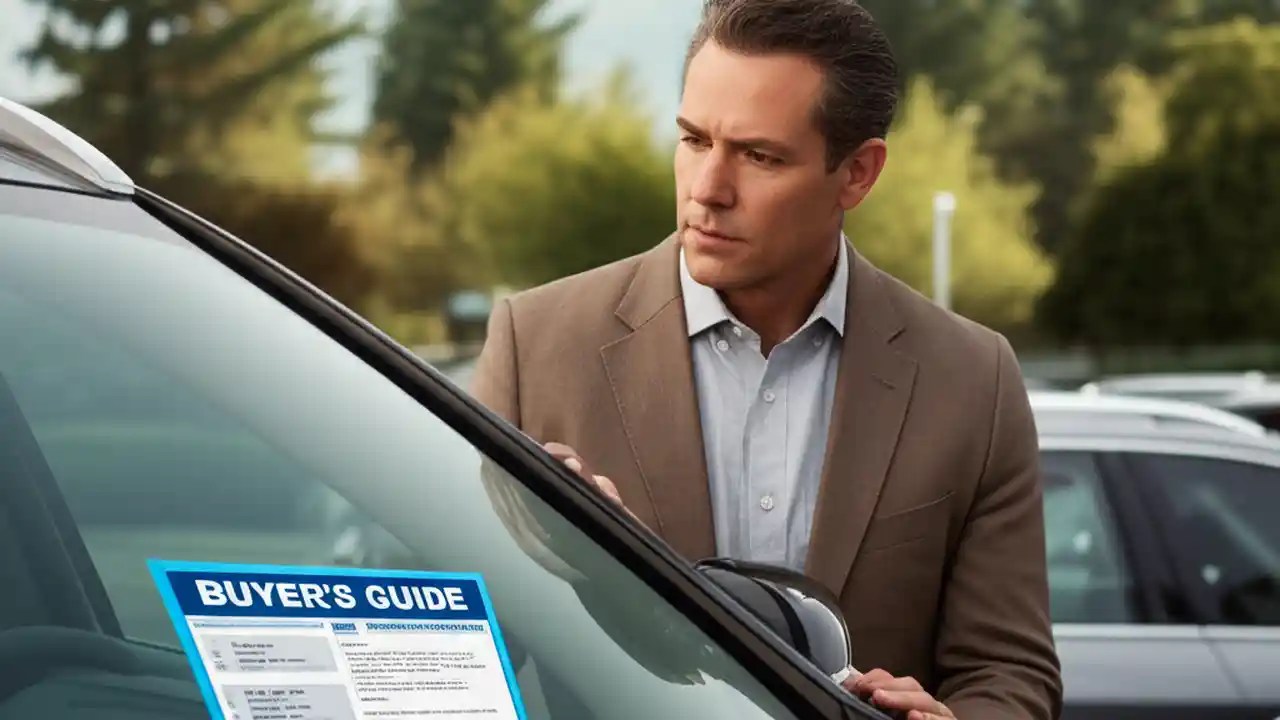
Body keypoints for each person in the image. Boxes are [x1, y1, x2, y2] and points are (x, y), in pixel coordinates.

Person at [470, 0, 1062, 717]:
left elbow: (1012, 677)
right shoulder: (534, 346)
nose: (707, 190)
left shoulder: (972, 377)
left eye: (758, 156)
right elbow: (464, 652)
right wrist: (582, 559)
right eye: (693, 140)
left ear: (858, 173)